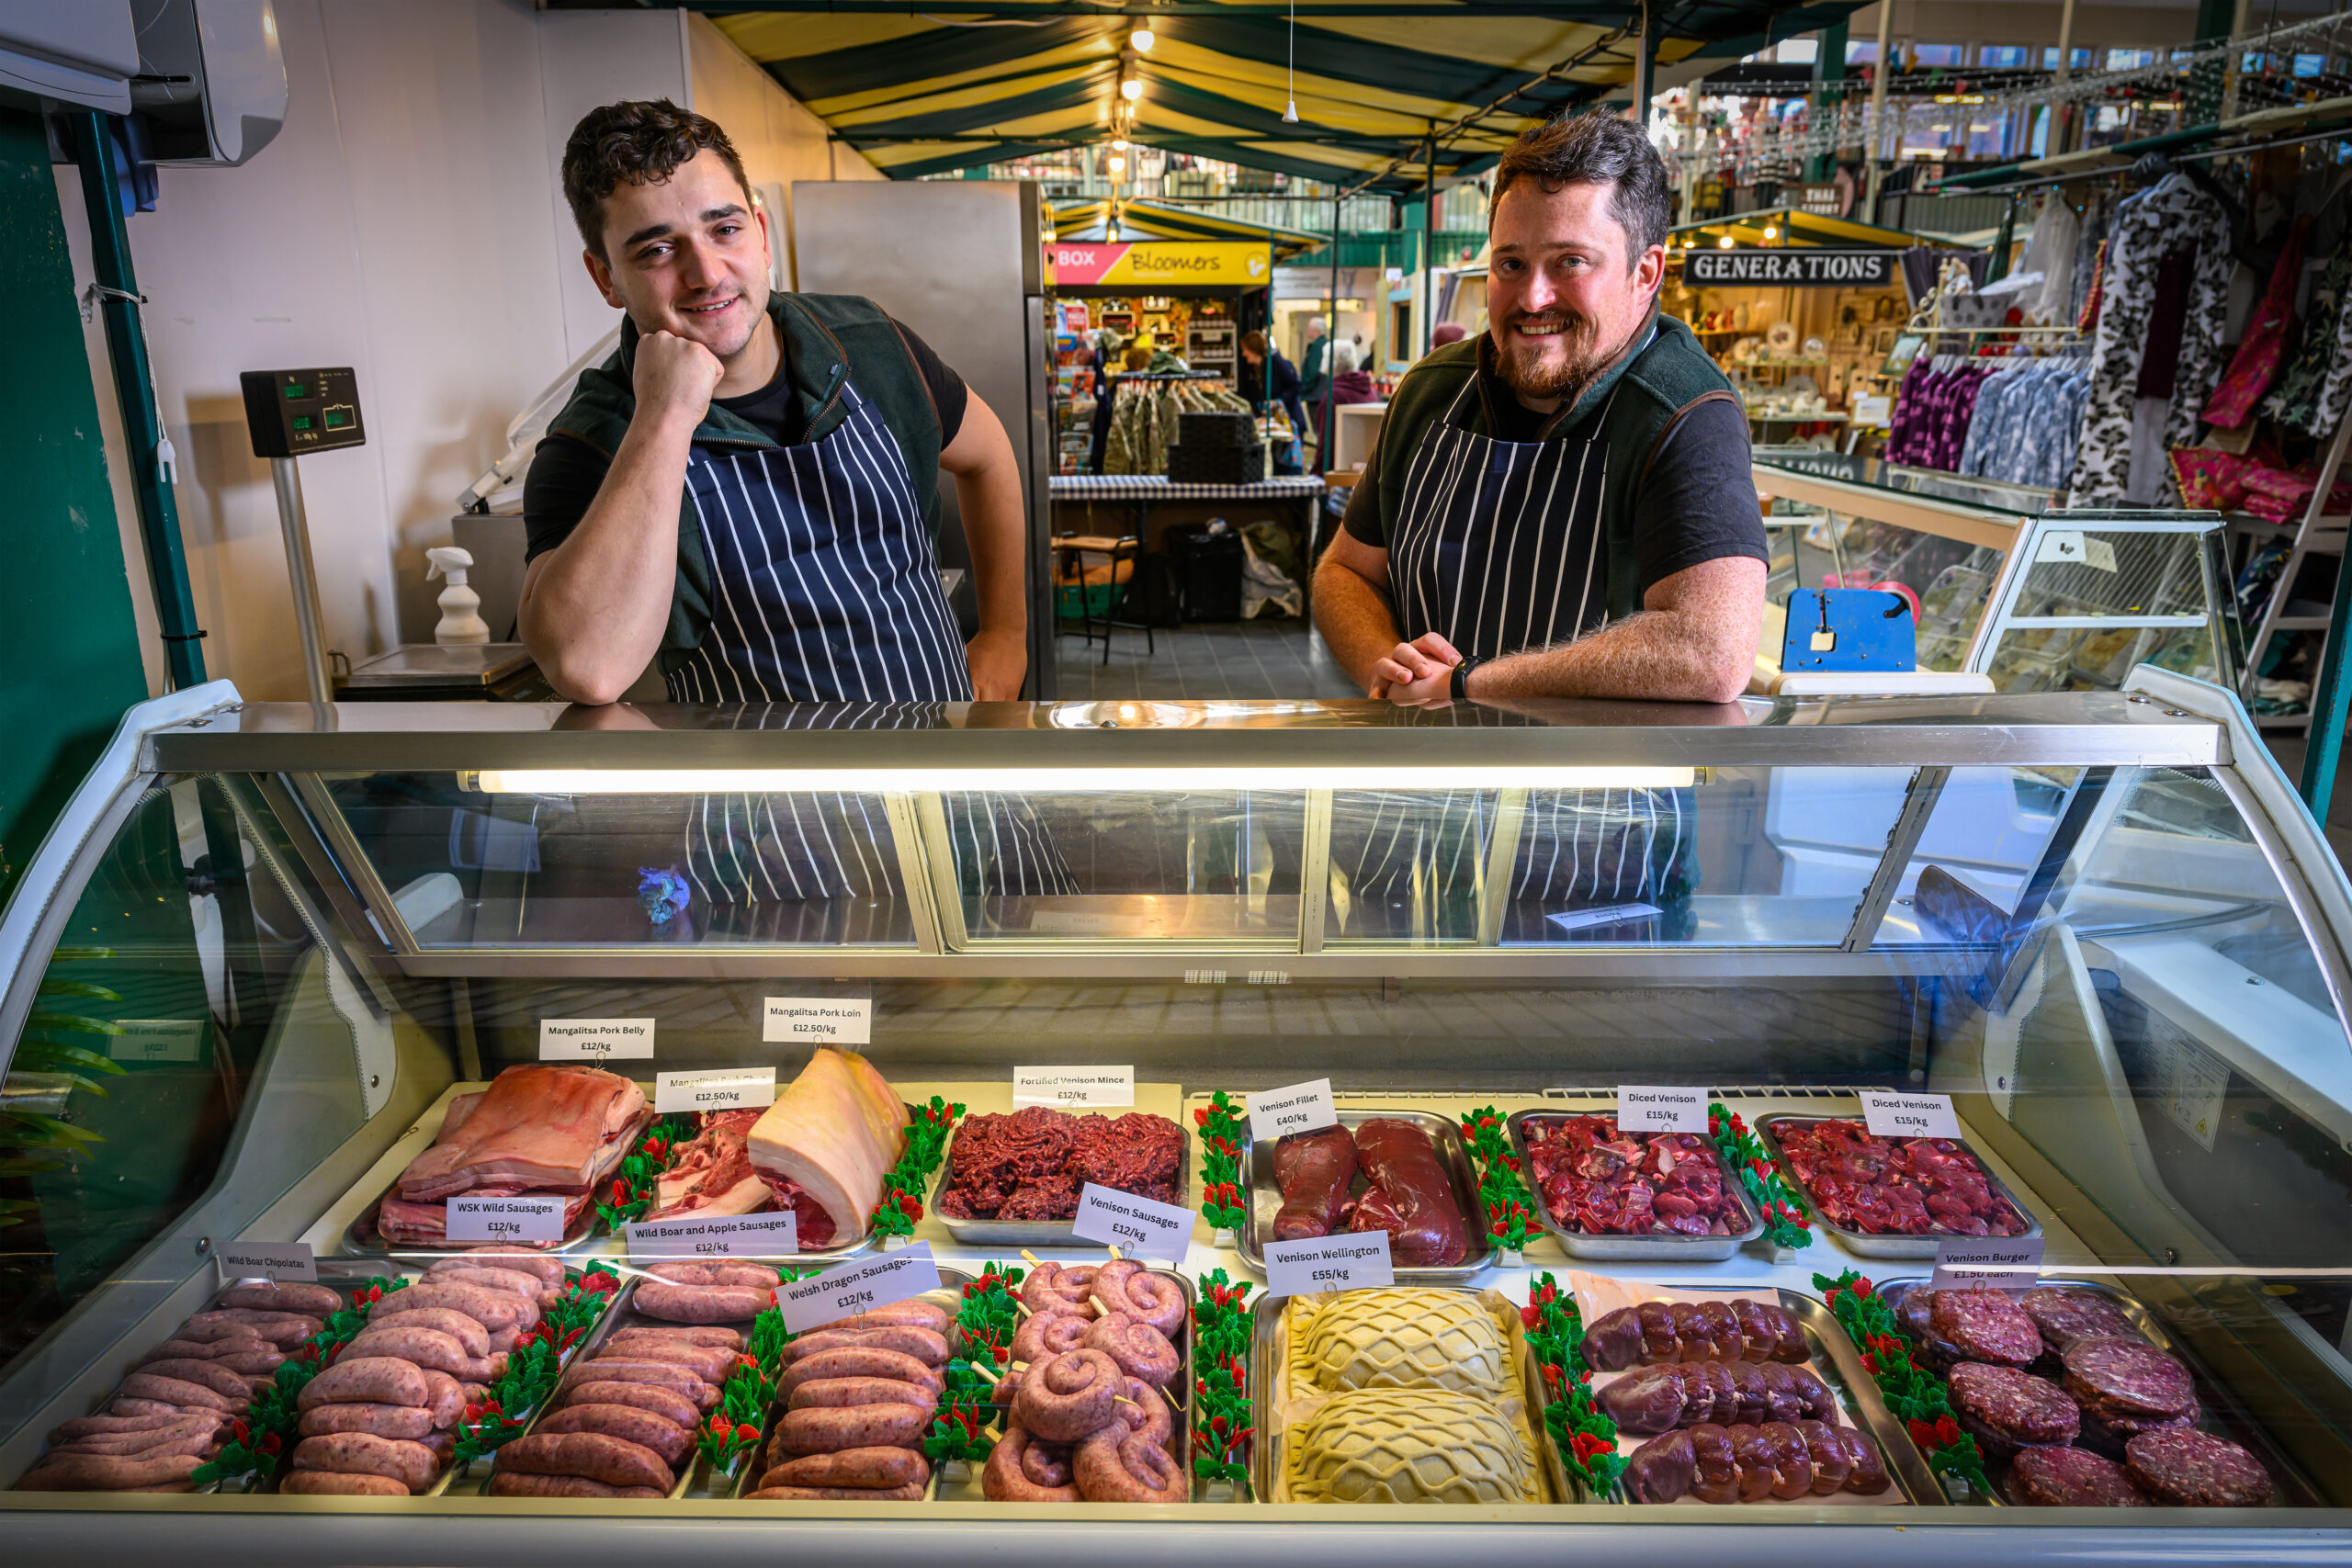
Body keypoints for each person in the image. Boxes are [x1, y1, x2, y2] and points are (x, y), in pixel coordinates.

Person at [1311, 111, 1768, 931]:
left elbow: (1711, 648)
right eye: (1511, 264)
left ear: (1645, 272)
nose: (1532, 298)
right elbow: (1345, 570)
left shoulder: (1685, 410)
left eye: (1571, 265)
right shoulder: (1430, 392)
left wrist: (1471, 682)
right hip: (1413, 842)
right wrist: (1389, 663)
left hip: (1593, 870)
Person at [518, 98, 1027, 706]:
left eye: (724, 228)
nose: (706, 273)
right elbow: (587, 667)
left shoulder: (869, 343)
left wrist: (1006, 632)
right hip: (767, 802)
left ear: (760, 234)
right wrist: (664, 415)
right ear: (605, 278)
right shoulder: (593, 441)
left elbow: (988, 453)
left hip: (951, 778)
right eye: (656, 250)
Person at [1239, 329, 1309, 452]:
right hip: (1272, 425)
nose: (1244, 353)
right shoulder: (1251, 370)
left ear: (1254, 349)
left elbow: (1296, 386)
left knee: (1288, 464)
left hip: (1288, 422)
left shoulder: (1277, 364)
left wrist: (1277, 401)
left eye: (1246, 349)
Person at [1298, 313, 1331, 409]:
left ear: (1316, 330)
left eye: (1309, 327)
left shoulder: (1317, 347)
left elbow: (1313, 371)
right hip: (1322, 394)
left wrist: (1303, 389)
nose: (1307, 329)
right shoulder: (1326, 344)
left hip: (1315, 396)